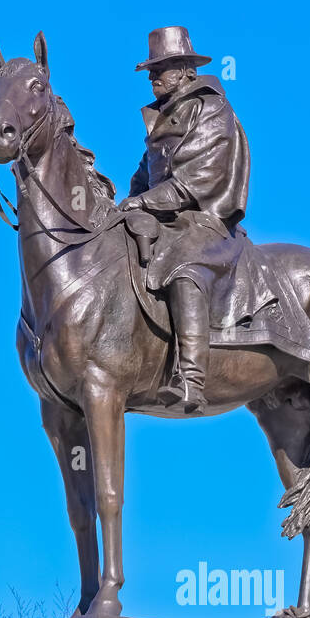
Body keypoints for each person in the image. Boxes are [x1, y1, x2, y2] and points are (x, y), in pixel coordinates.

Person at [120, 26, 254, 415]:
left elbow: (199, 179)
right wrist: (127, 206)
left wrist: (144, 202)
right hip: (166, 217)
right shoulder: (163, 120)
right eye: (151, 70)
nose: (153, 77)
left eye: (160, 69)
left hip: (204, 219)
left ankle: (192, 380)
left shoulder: (212, 109)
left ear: (184, 70)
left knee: (184, 267)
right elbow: (144, 176)